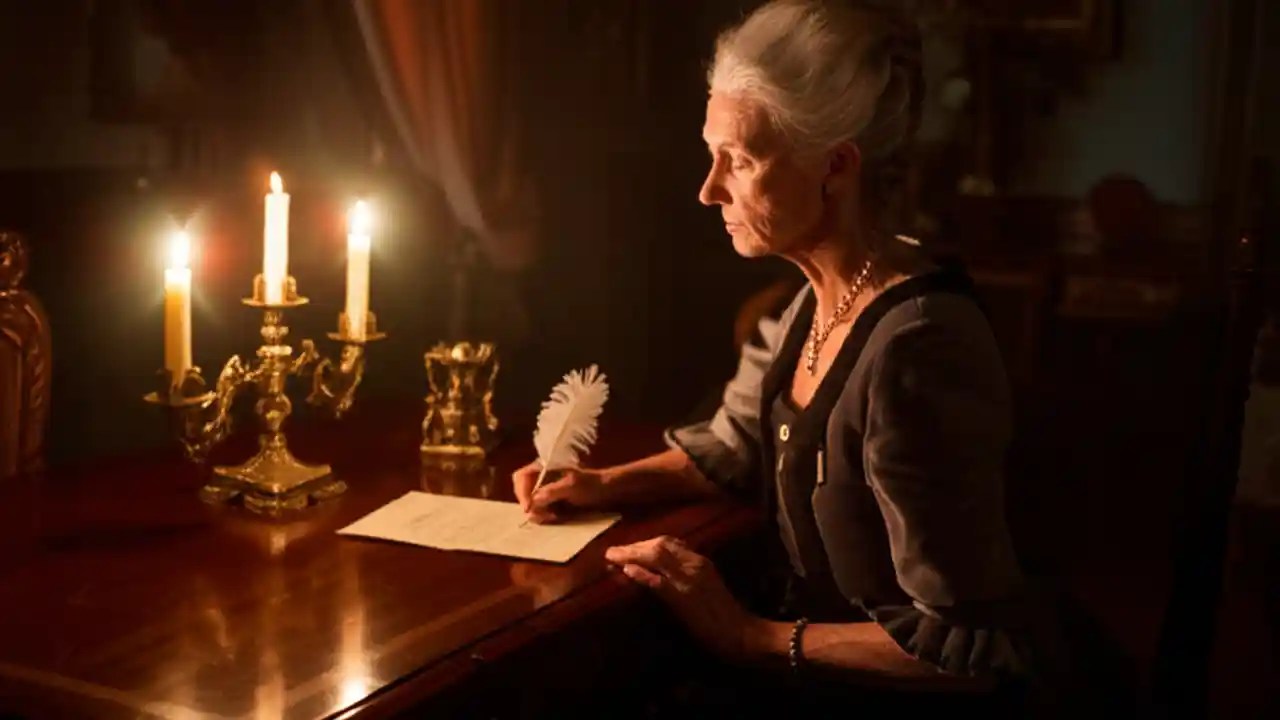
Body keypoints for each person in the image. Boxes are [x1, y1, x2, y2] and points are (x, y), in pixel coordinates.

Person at [513, 1, 1083, 713]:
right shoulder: (808, 305)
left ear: (836, 166)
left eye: (741, 160)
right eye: (711, 152)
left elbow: (963, 650)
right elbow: (734, 445)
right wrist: (601, 484)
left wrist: (749, 637)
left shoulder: (919, 348)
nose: (709, 188)